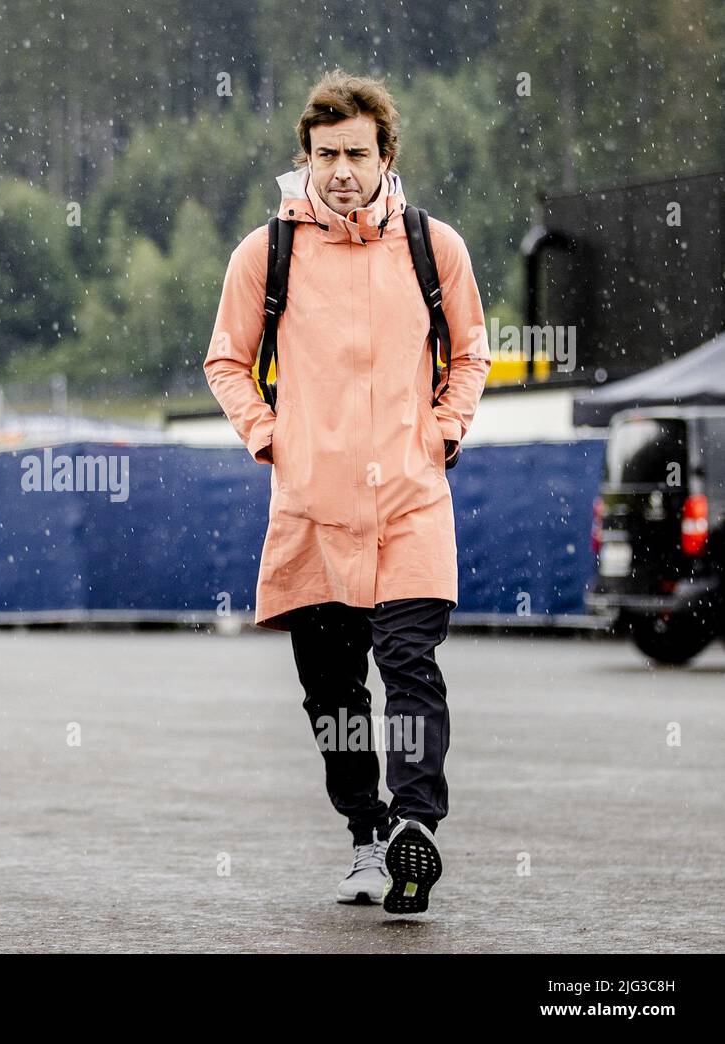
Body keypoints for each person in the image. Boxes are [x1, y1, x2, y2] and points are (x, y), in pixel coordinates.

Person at [202, 70, 492, 915]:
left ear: (386, 156)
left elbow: (470, 349)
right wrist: (269, 436)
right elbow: (226, 358)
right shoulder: (268, 253)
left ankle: (417, 825)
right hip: (312, 508)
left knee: (410, 664)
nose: (340, 171)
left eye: (356, 154)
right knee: (334, 696)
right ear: (307, 156)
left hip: (409, 500)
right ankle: (366, 834)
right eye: (325, 154)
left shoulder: (434, 247)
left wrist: (445, 428)